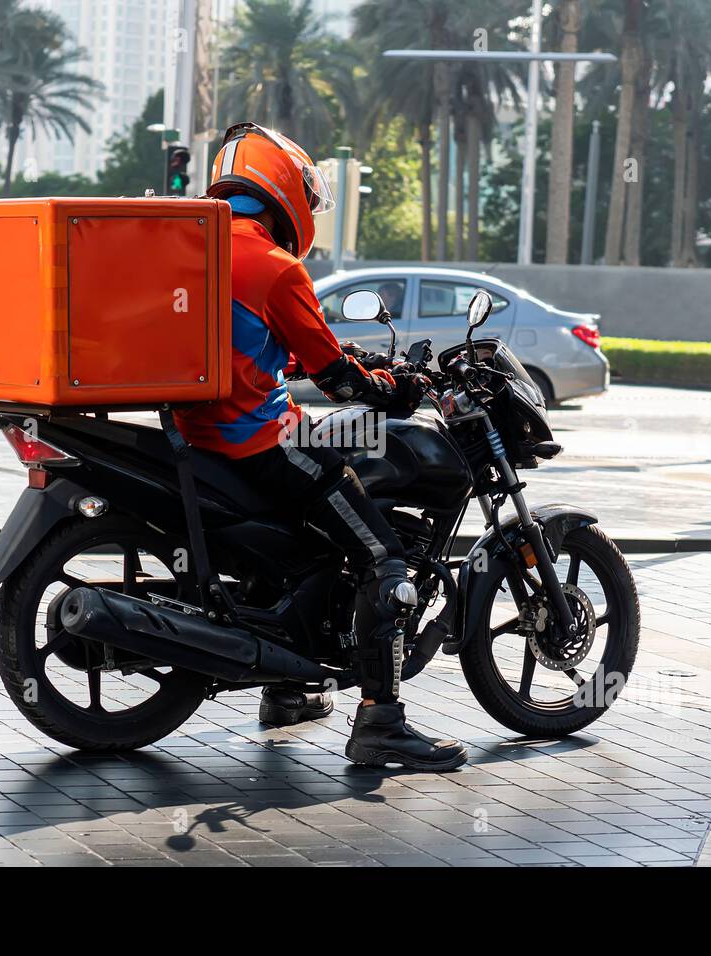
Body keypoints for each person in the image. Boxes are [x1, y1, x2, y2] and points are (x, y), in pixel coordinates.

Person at [174, 122, 467, 772]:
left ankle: (292, 688)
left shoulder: (195, 247)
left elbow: (280, 348)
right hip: (260, 442)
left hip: (200, 437)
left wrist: (352, 361)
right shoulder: (277, 267)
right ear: (284, 188)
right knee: (383, 558)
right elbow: (339, 383)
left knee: (313, 542)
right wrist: (395, 390)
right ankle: (381, 724)